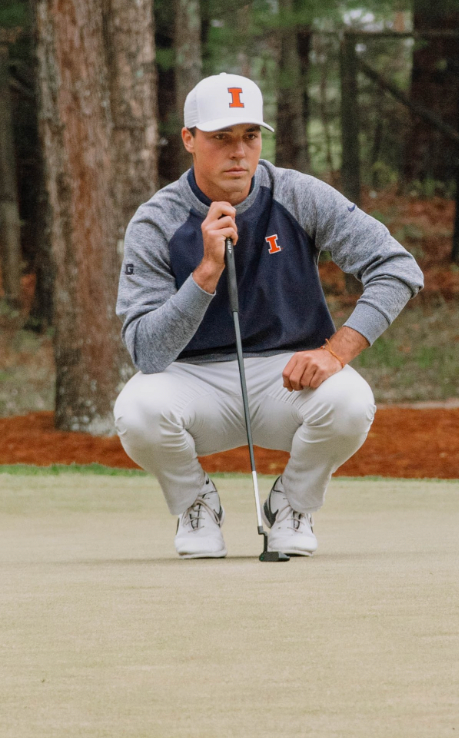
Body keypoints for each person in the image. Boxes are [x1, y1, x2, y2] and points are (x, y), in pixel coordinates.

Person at [113, 73, 423, 559]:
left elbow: (398, 267)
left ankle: (292, 505)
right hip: (192, 379)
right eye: (221, 138)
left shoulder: (298, 195)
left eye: (250, 137)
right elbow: (147, 352)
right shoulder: (158, 220)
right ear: (189, 140)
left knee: (349, 401)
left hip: (287, 377)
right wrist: (206, 274)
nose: (239, 152)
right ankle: (195, 504)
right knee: (137, 411)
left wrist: (336, 351)